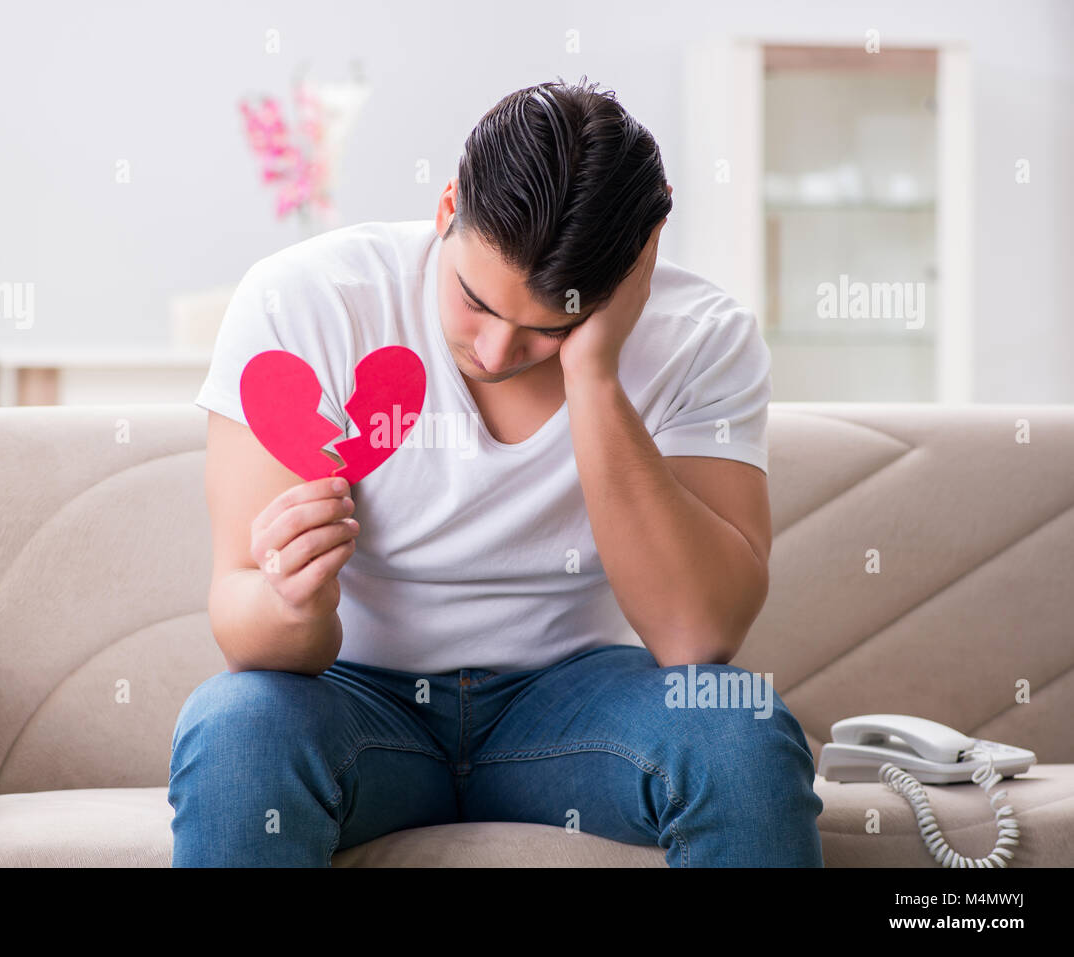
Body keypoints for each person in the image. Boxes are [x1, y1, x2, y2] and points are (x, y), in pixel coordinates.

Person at [169, 77, 824, 867]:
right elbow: (236, 610)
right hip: (355, 697)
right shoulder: (306, 300)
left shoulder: (700, 337)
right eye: (475, 300)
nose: (494, 353)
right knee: (235, 723)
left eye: (550, 326)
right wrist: (289, 600)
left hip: (578, 699)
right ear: (449, 208)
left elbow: (695, 635)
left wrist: (595, 375)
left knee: (740, 721)